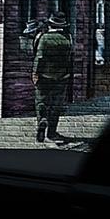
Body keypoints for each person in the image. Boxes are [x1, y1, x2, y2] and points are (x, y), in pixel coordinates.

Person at [33, 15, 73, 144]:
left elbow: (39, 57)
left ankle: (42, 120)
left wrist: (35, 73)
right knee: (56, 105)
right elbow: (70, 57)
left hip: (44, 75)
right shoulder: (68, 38)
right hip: (62, 76)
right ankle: (52, 132)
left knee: (41, 101)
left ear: (50, 25)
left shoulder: (44, 38)